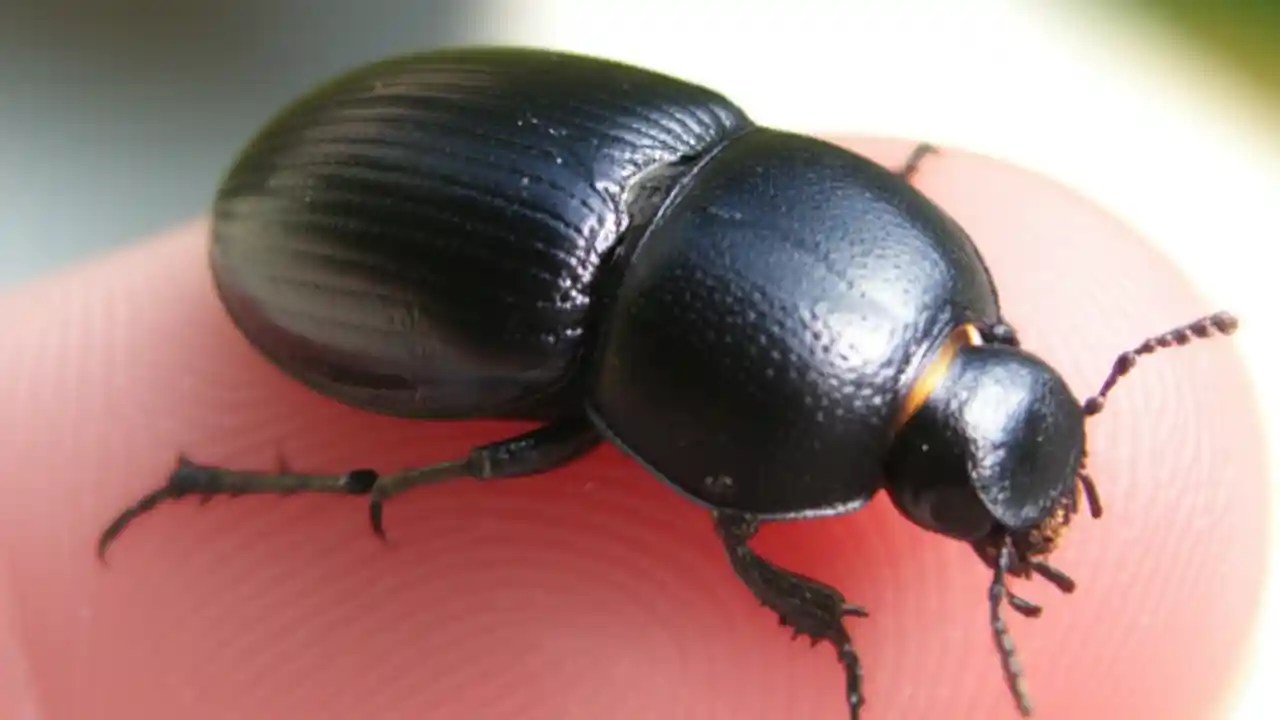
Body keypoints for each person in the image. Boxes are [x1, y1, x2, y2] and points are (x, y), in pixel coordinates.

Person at [0, 139, 1266, 719]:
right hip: (327, 233)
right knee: (469, 468)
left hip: (570, 148)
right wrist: (829, 634)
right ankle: (276, 481)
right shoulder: (702, 390)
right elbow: (739, 529)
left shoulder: (758, 188)